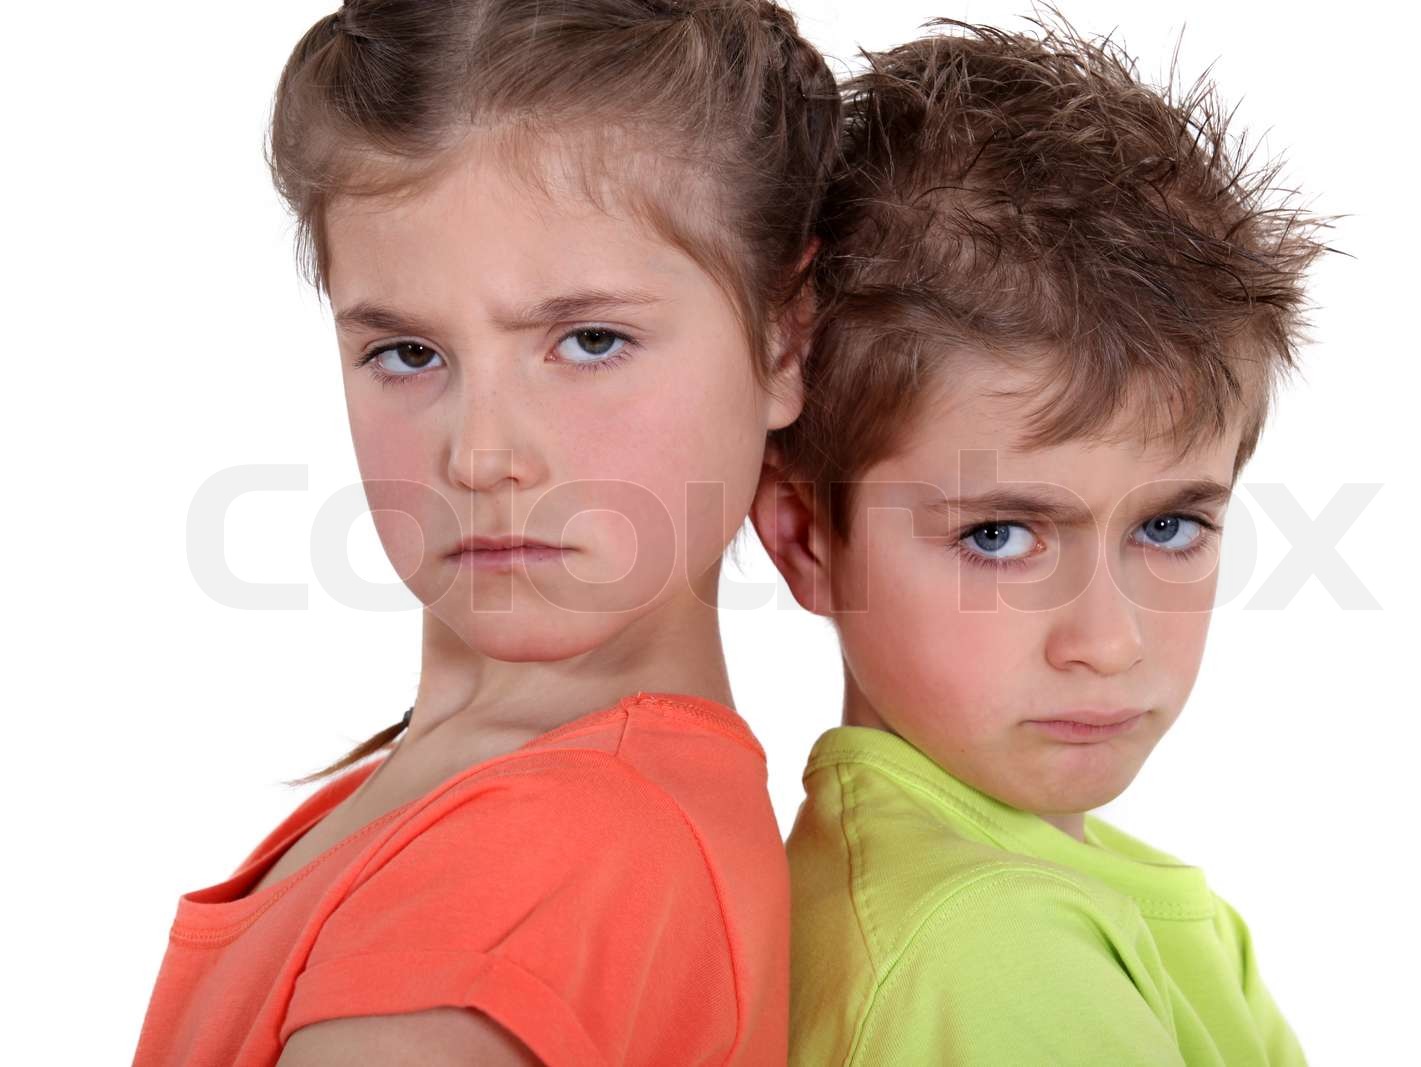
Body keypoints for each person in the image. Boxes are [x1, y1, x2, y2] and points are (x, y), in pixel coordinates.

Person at [133, 2, 837, 1064]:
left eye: (589, 339)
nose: (481, 452)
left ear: (786, 338)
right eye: (409, 353)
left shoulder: (545, 851)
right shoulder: (494, 802)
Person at [752, 15, 1331, 1065]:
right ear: (802, 537)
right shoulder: (984, 946)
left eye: (1167, 524)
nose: (1107, 641)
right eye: (1001, 534)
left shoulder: (1054, 891)